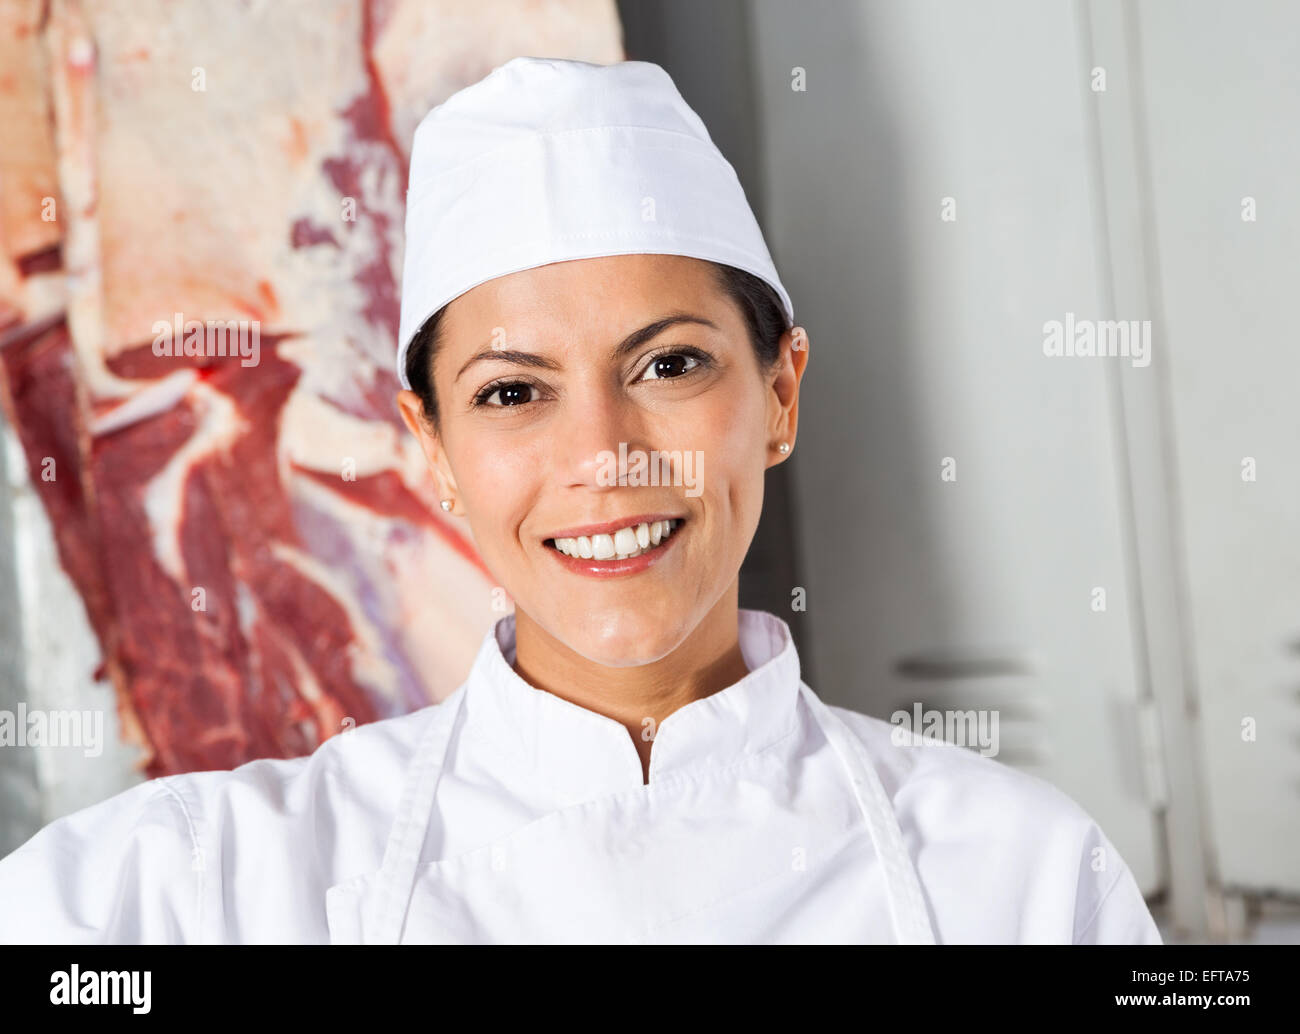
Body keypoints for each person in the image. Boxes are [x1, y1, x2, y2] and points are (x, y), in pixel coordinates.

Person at [0, 56, 1161, 945]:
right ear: (435, 450)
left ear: (779, 393)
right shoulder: (213, 887)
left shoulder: (1019, 878)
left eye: (668, 365)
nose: (603, 453)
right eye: (512, 391)